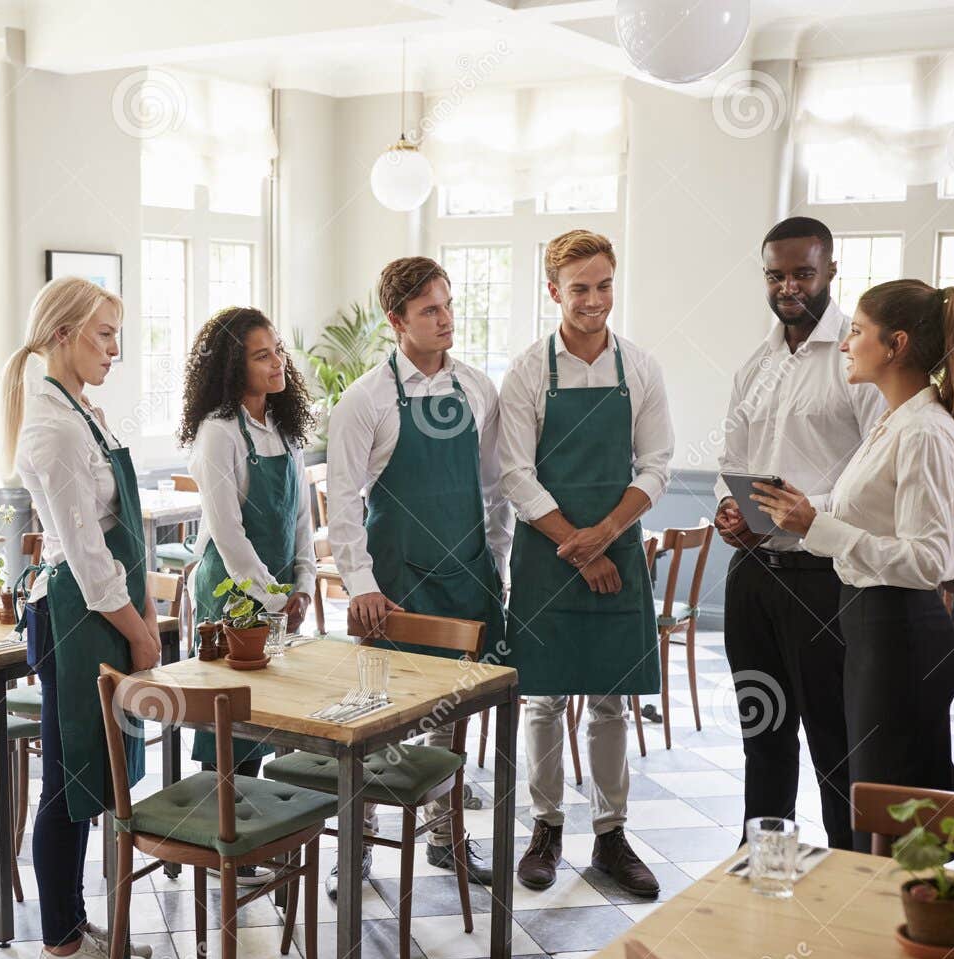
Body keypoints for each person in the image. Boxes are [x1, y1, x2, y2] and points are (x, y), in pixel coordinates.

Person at [753, 279, 954, 853]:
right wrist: (802, 512)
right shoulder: (893, 421)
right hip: (869, 623)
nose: (846, 345)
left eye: (856, 332)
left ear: (896, 344)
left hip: (900, 631)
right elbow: (863, 514)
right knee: (878, 804)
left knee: (889, 814)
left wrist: (818, 528)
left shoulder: (924, 431)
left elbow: (928, 559)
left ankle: (891, 929)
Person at [325, 255, 511, 897]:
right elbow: (343, 500)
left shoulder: (478, 389)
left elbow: (494, 489)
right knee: (378, 714)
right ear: (396, 320)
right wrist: (361, 585)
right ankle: (360, 842)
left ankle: (444, 833)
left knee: (452, 719)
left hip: (466, 576)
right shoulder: (366, 400)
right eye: (430, 309)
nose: (445, 320)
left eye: (449, 305)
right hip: (395, 584)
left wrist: (499, 565)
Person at [500, 230, 672, 897]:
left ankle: (610, 834)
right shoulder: (527, 372)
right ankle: (545, 828)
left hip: (616, 547)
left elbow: (656, 466)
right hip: (547, 556)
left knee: (609, 702)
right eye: (579, 288)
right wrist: (575, 544)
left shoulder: (642, 369)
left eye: (603, 285)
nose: (594, 300)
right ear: (554, 292)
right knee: (542, 699)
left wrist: (603, 534)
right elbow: (515, 473)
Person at [713, 217, 884, 850]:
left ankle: (849, 865)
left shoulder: (856, 359)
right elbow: (730, 460)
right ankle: (762, 854)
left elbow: (876, 468)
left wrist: (804, 510)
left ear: (831, 272)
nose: (789, 286)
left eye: (802, 273)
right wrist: (729, 514)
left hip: (823, 575)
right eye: (776, 275)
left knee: (835, 737)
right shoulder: (754, 364)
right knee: (763, 728)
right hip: (753, 574)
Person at [5, 277, 157, 959]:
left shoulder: (80, 413)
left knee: (92, 775)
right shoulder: (54, 427)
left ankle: (71, 921)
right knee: (67, 785)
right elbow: (89, 557)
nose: (114, 349)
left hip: (99, 612)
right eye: (104, 334)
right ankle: (59, 947)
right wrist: (141, 629)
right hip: (79, 614)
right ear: (62, 334)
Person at [180, 306, 317, 882]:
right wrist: (271, 598)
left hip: (282, 593)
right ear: (234, 368)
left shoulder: (284, 430)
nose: (277, 363)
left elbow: (302, 518)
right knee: (230, 717)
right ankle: (222, 841)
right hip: (230, 596)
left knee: (272, 711)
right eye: (262, 356)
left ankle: (261, 829)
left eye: (278, 350)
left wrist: (304, 583)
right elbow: (230, 535)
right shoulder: (217, 434)